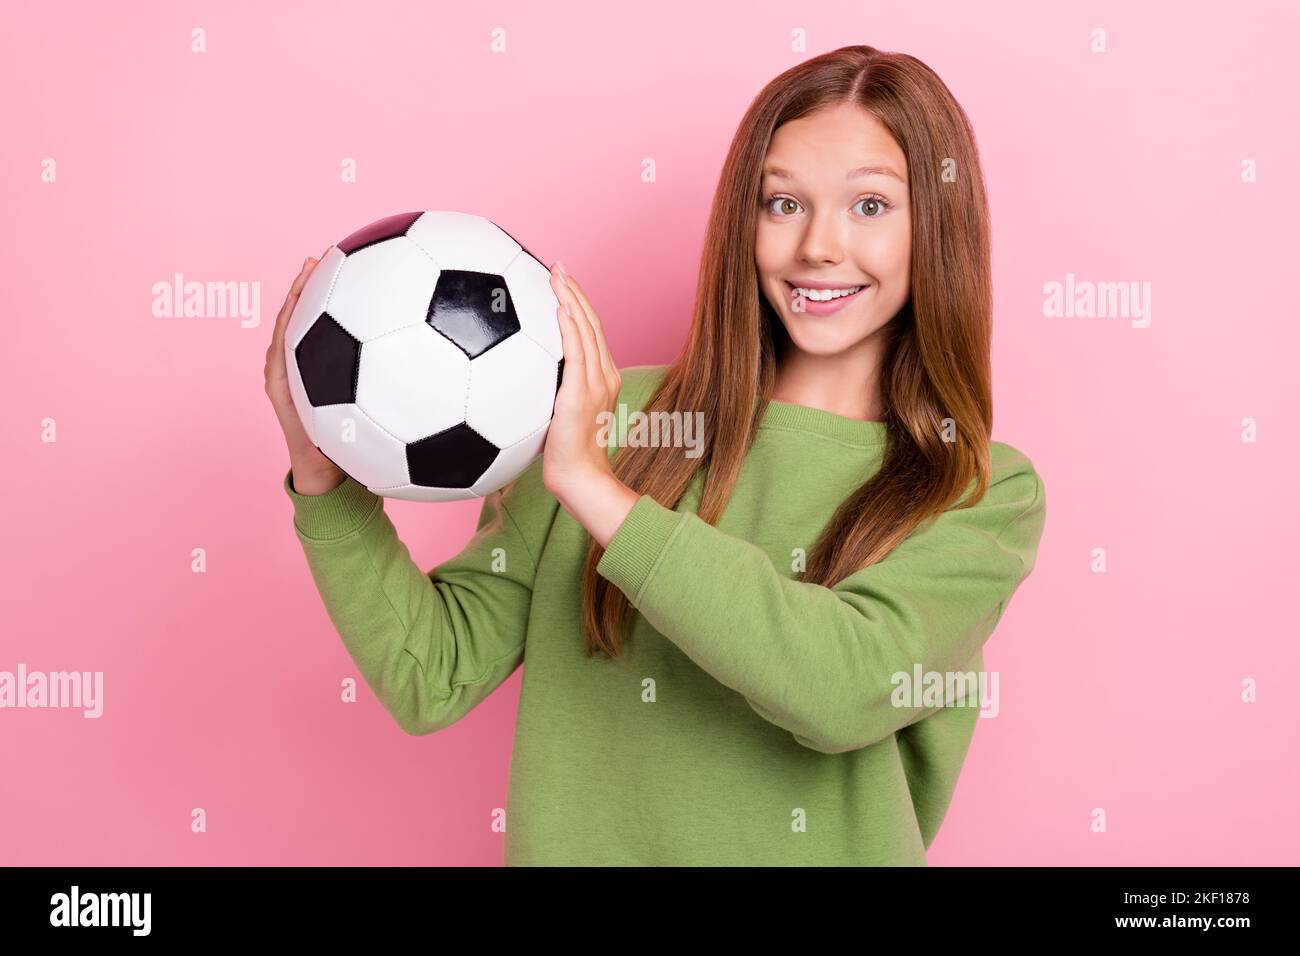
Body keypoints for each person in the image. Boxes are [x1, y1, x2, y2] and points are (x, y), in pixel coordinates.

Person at [263, 44, 1046, 866]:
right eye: (782, 203)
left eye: (871, 206)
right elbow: (434, 672)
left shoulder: (979, 490)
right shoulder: (603, 417)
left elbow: (841, 688)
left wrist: (597, 493)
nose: (819, 245)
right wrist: (325, 483)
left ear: (940, 225)